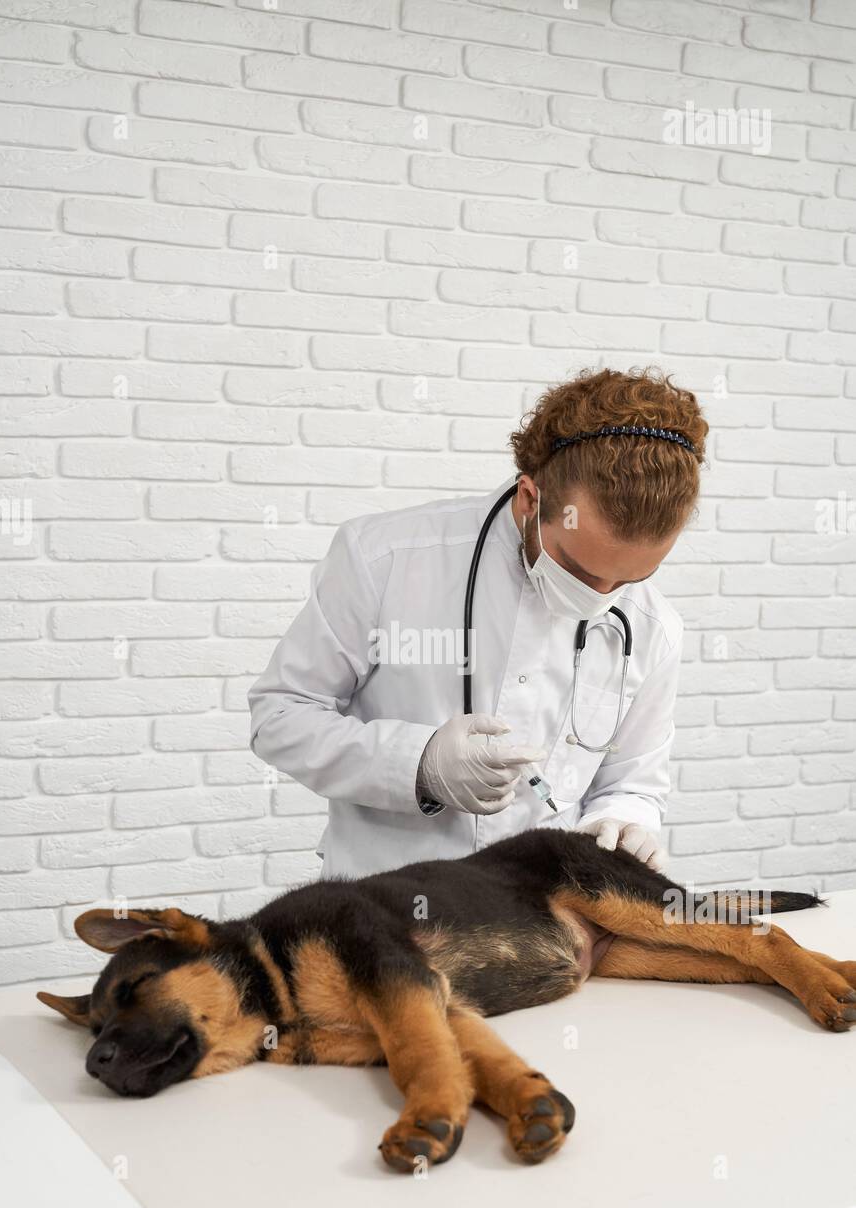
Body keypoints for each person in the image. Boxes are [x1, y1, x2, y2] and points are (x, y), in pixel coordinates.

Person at [248, 366, 708, 880]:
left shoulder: (653, 625)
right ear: (530, 498)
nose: (601, 596)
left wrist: (623, 823)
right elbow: (280, 716)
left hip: (547, 922)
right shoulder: (384, 559)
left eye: (632, 578)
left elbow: (633, 784)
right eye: (579, 570)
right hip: (382, 911)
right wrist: (418, 763)